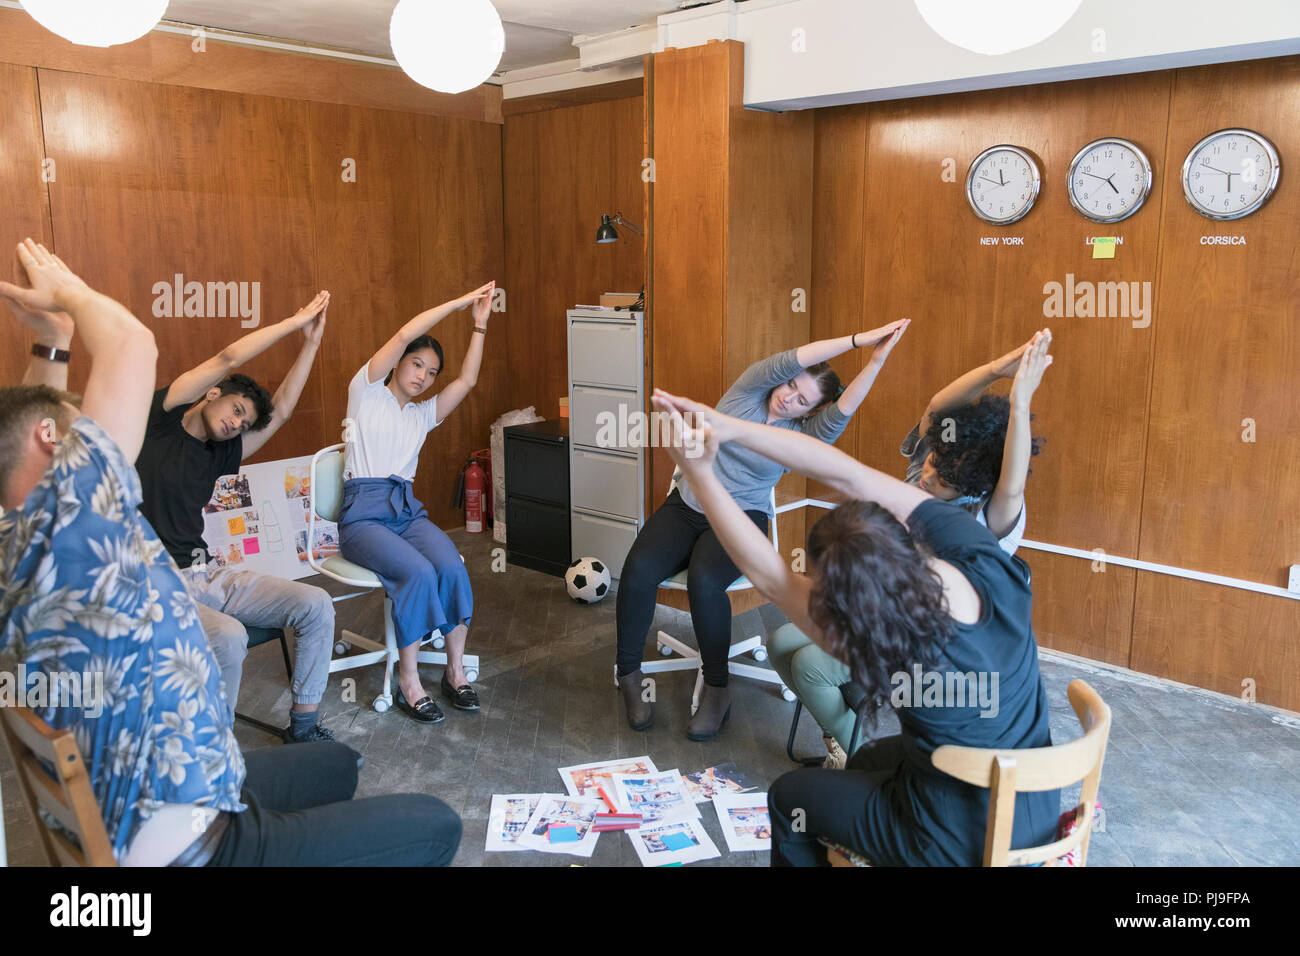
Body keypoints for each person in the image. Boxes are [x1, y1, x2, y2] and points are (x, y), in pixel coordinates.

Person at [0, 239, 461, 865]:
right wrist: (70, 300)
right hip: (193, 834)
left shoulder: (28, 544)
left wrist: (52, 346)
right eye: (76, 439)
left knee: (335, 766)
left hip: (161, 779)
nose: (89, 443)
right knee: (434, 823)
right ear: (52, 460)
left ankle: (302, 722)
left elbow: (26, 435)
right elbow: (131, 347)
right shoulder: (84, 534)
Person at [649, 384, 1059, 866]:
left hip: (960, 843)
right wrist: (724, 423)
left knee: (789, 799)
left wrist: (700, 474)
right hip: (1035, 804)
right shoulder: (981, 554)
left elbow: (770, 575)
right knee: (864, 762)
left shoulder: (889, 647)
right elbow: (846, 472)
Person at [615, 320, 910, 740]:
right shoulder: (747, 393)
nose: (789, 396)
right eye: (790, 385)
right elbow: (792, 359)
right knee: (639, 568)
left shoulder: (804, 433)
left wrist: (877, 359)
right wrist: (858, 341)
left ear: (810, 411)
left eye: (802, 399)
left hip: (744, 513)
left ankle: (717, 688)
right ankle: (628, 675)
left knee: (704, 580)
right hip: (689, 504)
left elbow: (843, 410)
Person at [769, 330, 1053, 765]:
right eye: (932, 463)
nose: (927, 476)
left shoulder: (985, 518)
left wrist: (1020, 402)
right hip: (876, 606)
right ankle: (851, 733)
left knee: (809, 665)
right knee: (781, 643)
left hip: (924, 641)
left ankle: (862, 755)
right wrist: (998, 369)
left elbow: (1011, 483)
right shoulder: (937, 459)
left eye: (941, 480)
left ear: (972, 487)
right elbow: (940, 408)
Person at [133, 287, 337, 742]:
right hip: (151, 581)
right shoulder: (157, 421)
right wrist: (293, 322)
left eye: (244, 423)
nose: (236, 424)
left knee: (316, 604)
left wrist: (312, 342)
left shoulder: (220, 453)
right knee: (228, 636)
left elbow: (281, 411)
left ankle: (303, 728)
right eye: (236, 410)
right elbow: (227, 356)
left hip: (205, 574)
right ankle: (214, 750)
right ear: (213, 394)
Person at [337, 281, 495, 724]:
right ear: (399, 363)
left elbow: (467, 379)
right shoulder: (366, 390)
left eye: (430, 372)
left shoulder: (423, 415)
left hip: (405, 510)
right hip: (362, 516)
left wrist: (478, 326)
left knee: (451, 565)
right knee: (417, 571)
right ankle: (409, 681)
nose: (423, 375)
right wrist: (460, 302)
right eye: (416, 364)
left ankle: (454, 671)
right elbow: (406, 332)